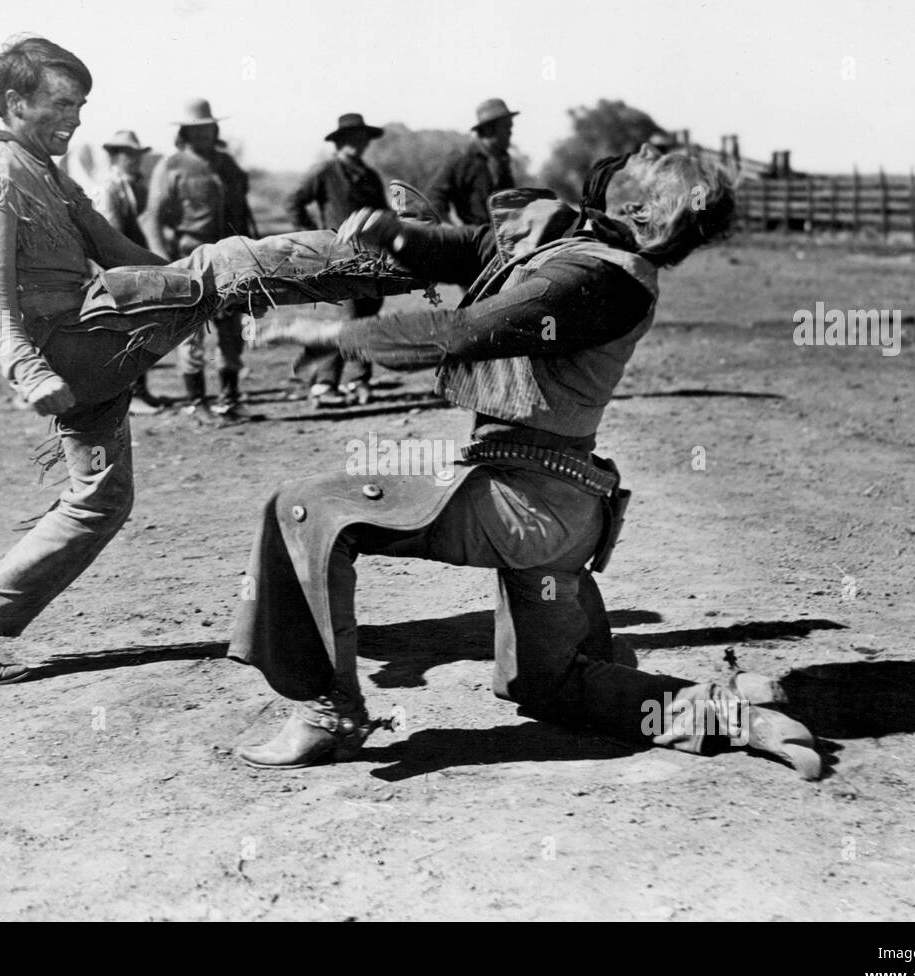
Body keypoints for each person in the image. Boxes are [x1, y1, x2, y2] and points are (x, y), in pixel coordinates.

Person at [229, 144, 823, 780]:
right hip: (557, 510)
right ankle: (727, 713)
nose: (635, 152)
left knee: (303, 507)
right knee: (546, 686)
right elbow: (469, 251)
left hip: (523, 505)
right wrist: (395, 234)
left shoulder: (600, 280)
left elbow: (461, 330)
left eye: (648, 163)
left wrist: (334, 336)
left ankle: (329, 712)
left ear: (647, 207)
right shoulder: (578, 247)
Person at [0, 36, 178, 685]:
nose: (74, 121)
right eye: (62, 105)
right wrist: (27, 370)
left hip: (88, 349)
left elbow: (114, 246)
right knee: (101, 497)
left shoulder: (45, 171)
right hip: (68, 354)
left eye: (81, 106)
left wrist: (198, 280)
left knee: (103, 497)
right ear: (16, 101)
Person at [140, 98, 258, 424]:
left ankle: (230, 399)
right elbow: (151, 217)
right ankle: (197, 403)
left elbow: (242, 213)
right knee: (192, 333)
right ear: (185, 132)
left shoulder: (227, 164)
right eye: (195, 129)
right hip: (190, 260)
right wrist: (164, 263)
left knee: (231, 332)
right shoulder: (171, 166)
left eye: (207, 127)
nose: (203, 134)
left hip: (233, 259)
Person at [285, 113, 388, 408]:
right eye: (351, 139)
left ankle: (359, 380)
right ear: (339, 142)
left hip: (372, 259)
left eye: (362, 138)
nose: (358, 144)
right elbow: (294, 201)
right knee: (347, 321)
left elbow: (383, 213)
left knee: (367, 319)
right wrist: (315, 238)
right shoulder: (326, 171)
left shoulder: (369, 175)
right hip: (338, 259)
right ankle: (323, 384)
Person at [94, 129, 165, 415]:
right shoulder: (109, 189)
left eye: (138, 155)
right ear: (115, 156)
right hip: (119, 272)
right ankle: (129, 395)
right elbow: (109, 236)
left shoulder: (134, 186)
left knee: (143, 331)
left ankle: (140, 391)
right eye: (129, 155)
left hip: (134, 269)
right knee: (126, 336)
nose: (135, 160)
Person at [428, 98, 518, 226]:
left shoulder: (502, 162)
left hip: (499, 240)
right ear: (489, 130)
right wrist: (450, 230)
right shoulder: (462, 159)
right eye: (506, 127)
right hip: (473, 240)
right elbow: (434, 198)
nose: (510, 132)